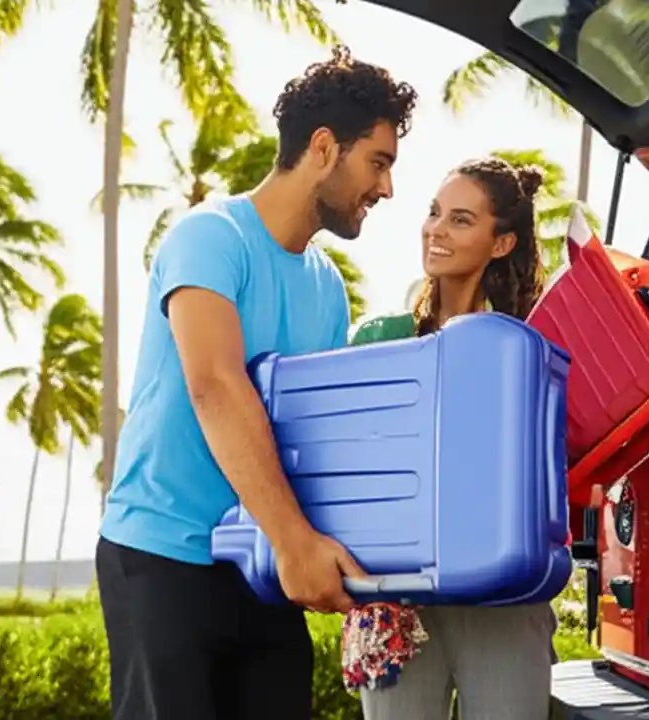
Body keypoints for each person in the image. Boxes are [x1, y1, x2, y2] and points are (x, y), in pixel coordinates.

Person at [95, 46, 419, 720]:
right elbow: (214, 385)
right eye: (379, 162)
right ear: (324, 148)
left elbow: (316, 442)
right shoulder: (211, 238)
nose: (386, 188)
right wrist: (298, 544)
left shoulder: (327, 288)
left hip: (263, 568)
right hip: (164, 557)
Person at [345, 156, 560, 720]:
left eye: (461, 220)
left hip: (503, 594)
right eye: (435, 213)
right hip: (398, 595)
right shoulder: (378, 337)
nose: (436, 229)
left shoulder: (530, 347)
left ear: (501, 242)